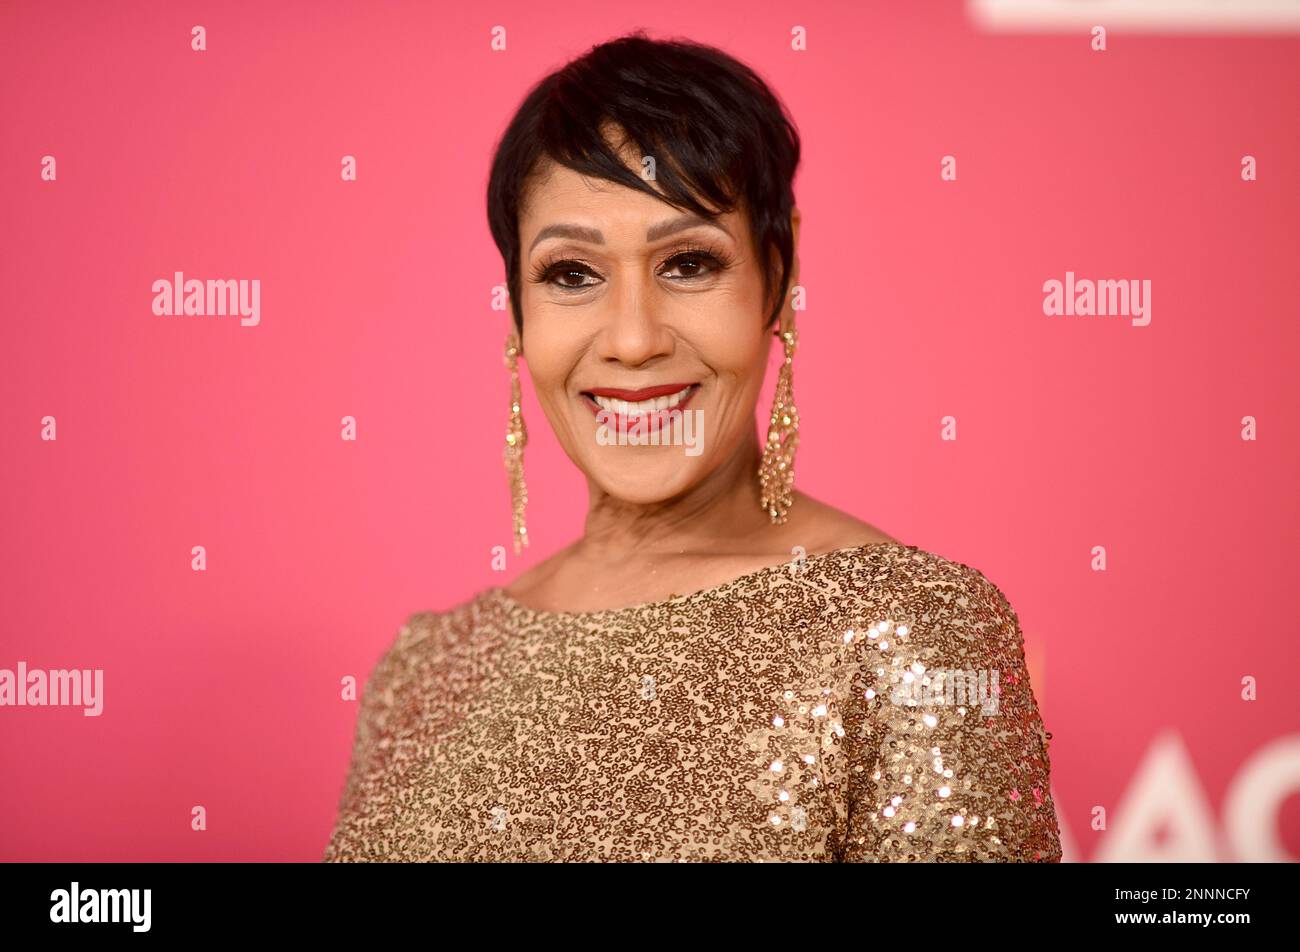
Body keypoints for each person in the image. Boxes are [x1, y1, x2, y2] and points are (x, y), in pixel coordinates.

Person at [323, 31, 1062, 862]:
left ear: (774, 282)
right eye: (572, 273)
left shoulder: (916, 631)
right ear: (518, 315)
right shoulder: (424, 673)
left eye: (687, 264)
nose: (634, 340)